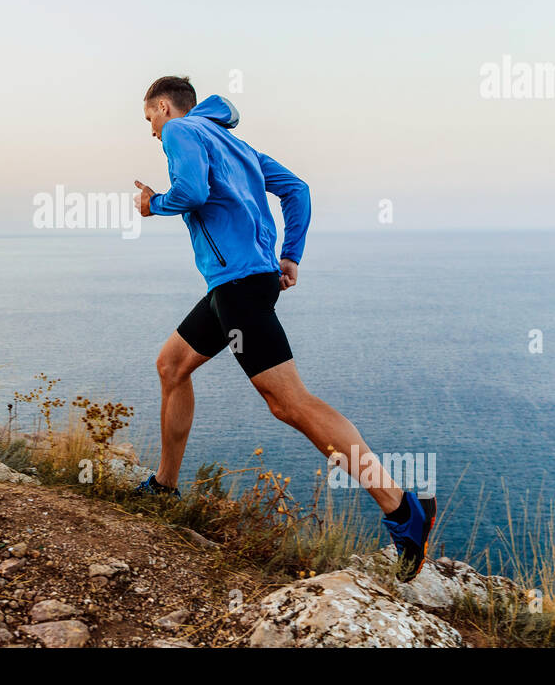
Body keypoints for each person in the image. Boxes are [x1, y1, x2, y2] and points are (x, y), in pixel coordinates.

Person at [131, 75, 435, 580]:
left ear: (165, 107)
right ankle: (164, 486)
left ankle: (403, 509)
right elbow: (297, 189)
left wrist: (152, 204)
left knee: (289, 403)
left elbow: (191, 191)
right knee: (171, 366)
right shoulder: (235, 142)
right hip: (239, 284)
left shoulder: (183, 132)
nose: (154, 135)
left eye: (150, 121)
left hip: (239, 288)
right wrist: (290, 255)